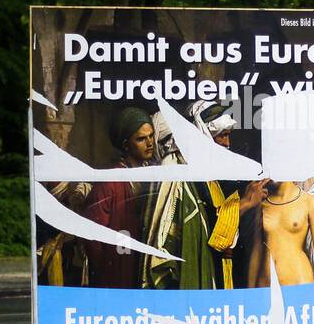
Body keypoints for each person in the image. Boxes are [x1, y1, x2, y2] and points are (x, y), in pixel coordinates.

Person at [141, 100, 267, 290]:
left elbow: (213, 230)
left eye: (228, 136)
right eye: (222, 136)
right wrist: (244, 204)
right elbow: (192, 234)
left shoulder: (206, 172)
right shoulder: (176, 170)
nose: (227, 143)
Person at [83, 106, 154, 288]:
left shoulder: (153, 175)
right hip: (119, 269)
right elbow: (93, 236)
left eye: (150, 136)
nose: (149, 143)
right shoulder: (110, 182)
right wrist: (111, 268)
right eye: (140, 139)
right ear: (125, 144)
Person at [248, 181, 314, 287]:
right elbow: (257, 251)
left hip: (299, 282)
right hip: (266, 283)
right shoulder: (261, 204)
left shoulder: (310, 202)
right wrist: (250, 293)